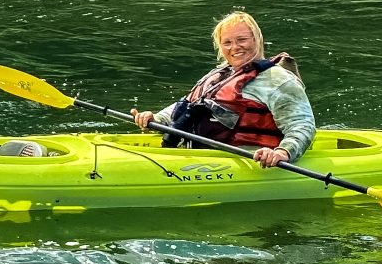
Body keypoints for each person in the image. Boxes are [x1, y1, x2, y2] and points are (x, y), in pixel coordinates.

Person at [131, 10, 315, 167]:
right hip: (201, 156)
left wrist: (283, 152)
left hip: (250, 161)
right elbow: (191, 105)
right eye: (227, 43)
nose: (235, 47)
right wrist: (156, 118)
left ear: (257, 40)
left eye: (242, 39)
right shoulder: (219, 74)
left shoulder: (278, 80)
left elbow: (302, 125)